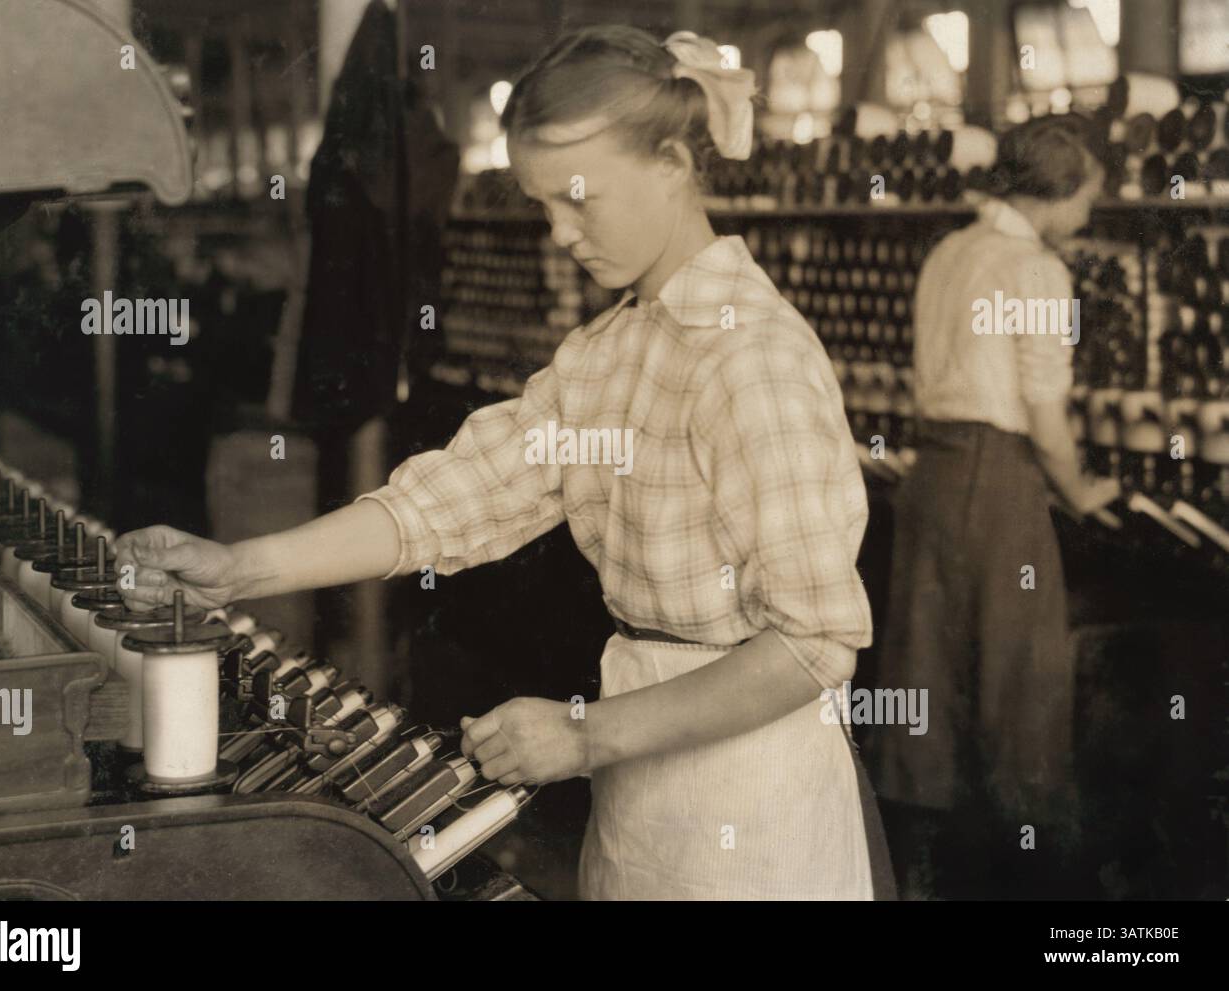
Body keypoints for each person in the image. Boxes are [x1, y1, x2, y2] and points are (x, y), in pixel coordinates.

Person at [116, 25, 894, 900]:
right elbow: (449, 501)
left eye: (578, 199)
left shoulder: (753, 358)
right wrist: (242, 566)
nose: (560, 233)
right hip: (645, 797)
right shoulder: (609, 353)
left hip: (754, 809)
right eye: (544, 205)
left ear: (674, 162)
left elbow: (811, 644)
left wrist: (585, 735)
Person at [864, 113, 1122, 899]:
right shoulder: (1034, 270)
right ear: (1059, 191)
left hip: (931, 476)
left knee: (924, 673)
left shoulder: (948, 251)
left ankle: (920, 878)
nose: (1088, 215)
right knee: (1020, 676)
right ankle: (1035, 881)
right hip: (996, 477)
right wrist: (1081, 489)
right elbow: (1044, 413)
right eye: (1087, 198)